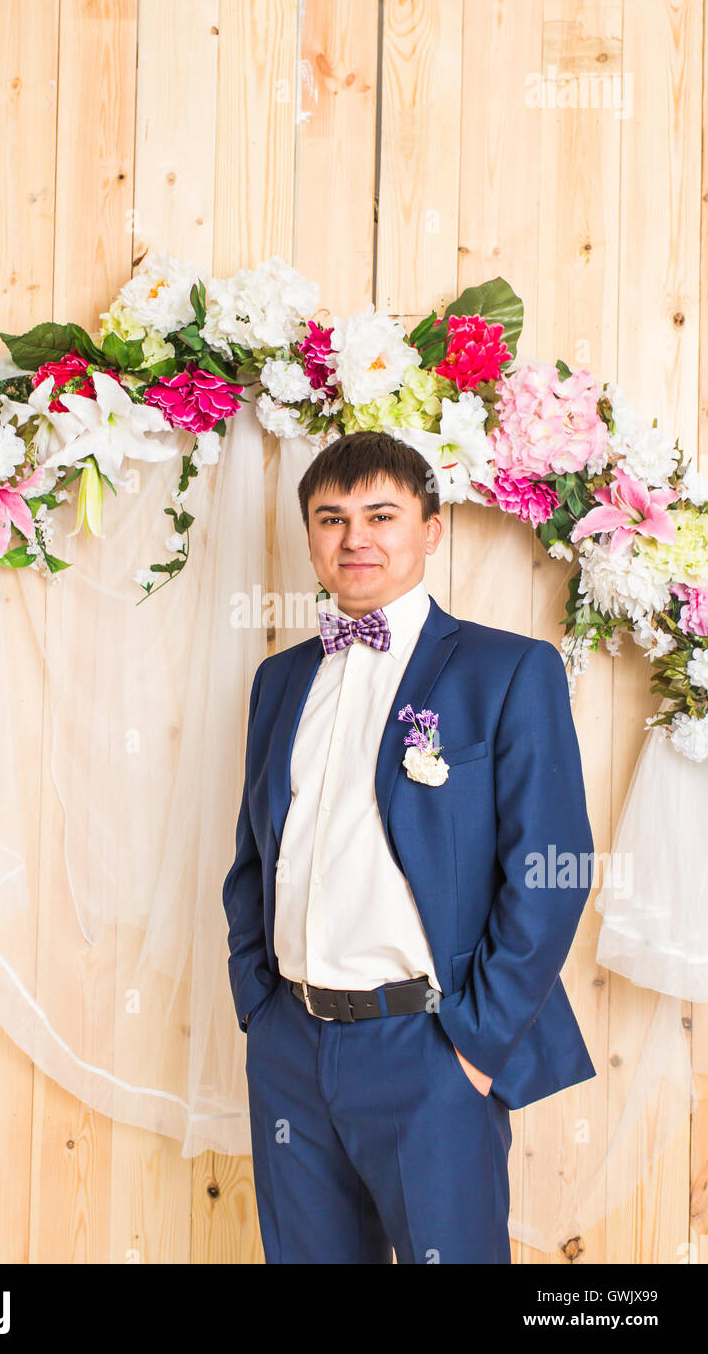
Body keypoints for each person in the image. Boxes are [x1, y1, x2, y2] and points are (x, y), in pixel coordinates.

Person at [221, 430, 596, 1264]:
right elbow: (254, 855)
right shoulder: (278, 680)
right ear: (310, 538)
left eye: (380, 515)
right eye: (331, 518)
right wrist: (257, 1003)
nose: (354, 537)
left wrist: (476, 1044)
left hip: (429, 1047)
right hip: (289, 1045)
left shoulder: (506, 670)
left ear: (430, 529)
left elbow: (553, 870)